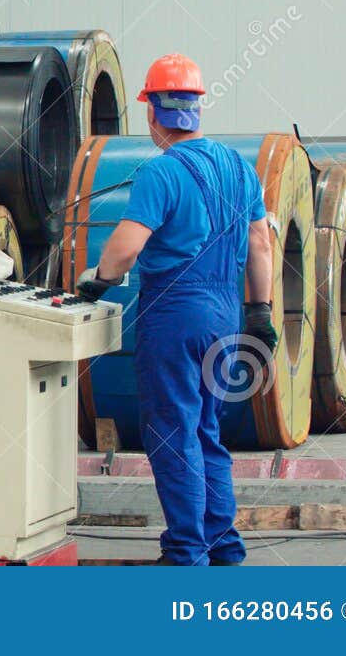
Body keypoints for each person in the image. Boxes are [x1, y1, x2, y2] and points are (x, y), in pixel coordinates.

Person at [75, 53, 279, 566]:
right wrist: (260, 313)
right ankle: (222, 543)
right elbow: (261, 244)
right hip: (226, 313)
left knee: (172, 430)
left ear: (151, 113)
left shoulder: (160, 173)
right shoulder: (239, 167)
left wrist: (98, 281)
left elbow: (125, 247)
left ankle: (187, 551)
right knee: (208, 427)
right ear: (197, 108)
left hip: (176, 313)